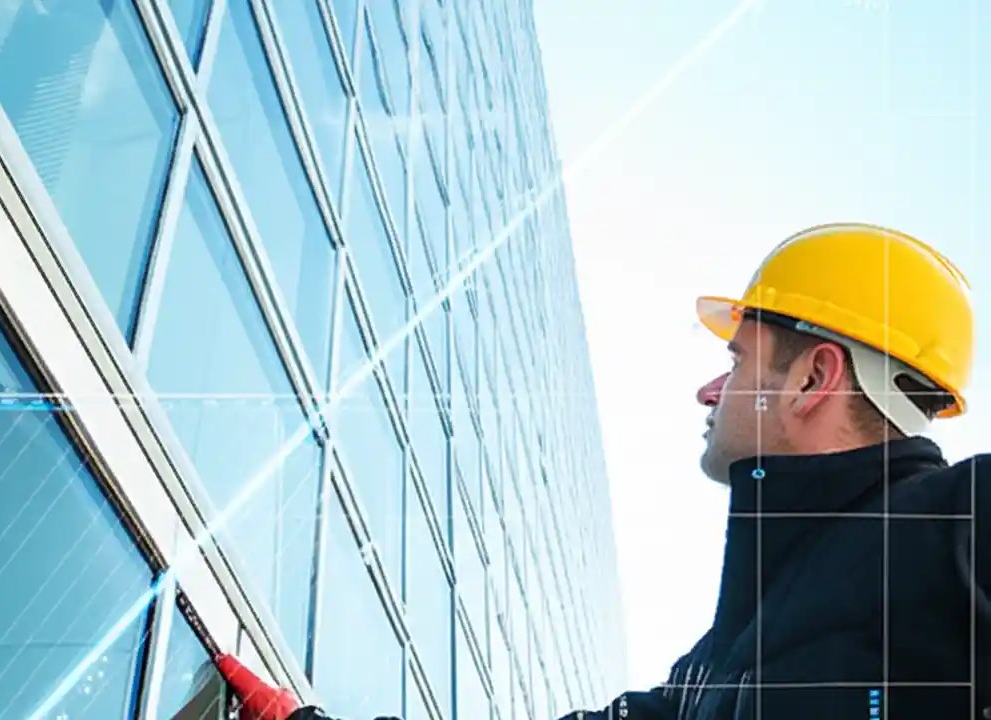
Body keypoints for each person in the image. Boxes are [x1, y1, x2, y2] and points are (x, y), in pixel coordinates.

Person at [206, 223, 991, 719]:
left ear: (814, 379)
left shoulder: (955, 531)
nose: (709, 390)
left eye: (737, 359)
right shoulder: (708, 673)